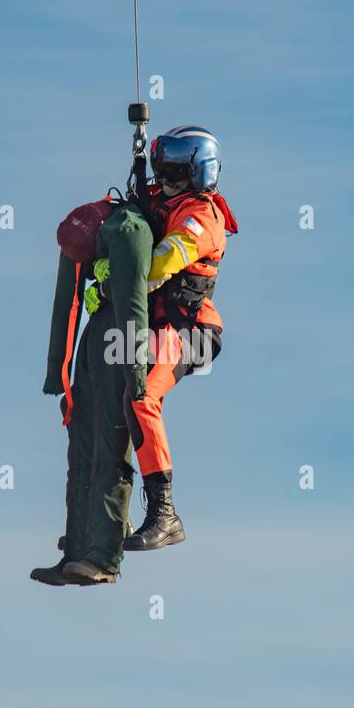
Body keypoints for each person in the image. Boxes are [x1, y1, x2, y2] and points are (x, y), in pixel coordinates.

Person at [123, 126, 238, 551]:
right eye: (161, 173)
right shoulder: (162, 202)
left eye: (174, 175)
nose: (165, 184)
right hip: (156, 329)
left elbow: (161, 263)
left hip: (192, 331)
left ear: (197, 176)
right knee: (118, 402)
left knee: (141, 396)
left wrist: (120, 274)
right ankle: (112, 515)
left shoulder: (202, 219)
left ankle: (165, 515)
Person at [32, 202, 152, 585]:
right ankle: (77, 550)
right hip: (97, 338)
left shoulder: (127, 231)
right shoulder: (83, 232)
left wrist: (135, 372)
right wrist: (59, 375)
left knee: (109, 446)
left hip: (120, 336)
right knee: (81, 448)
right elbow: (65, 301)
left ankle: (103, 557)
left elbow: (133, 303)